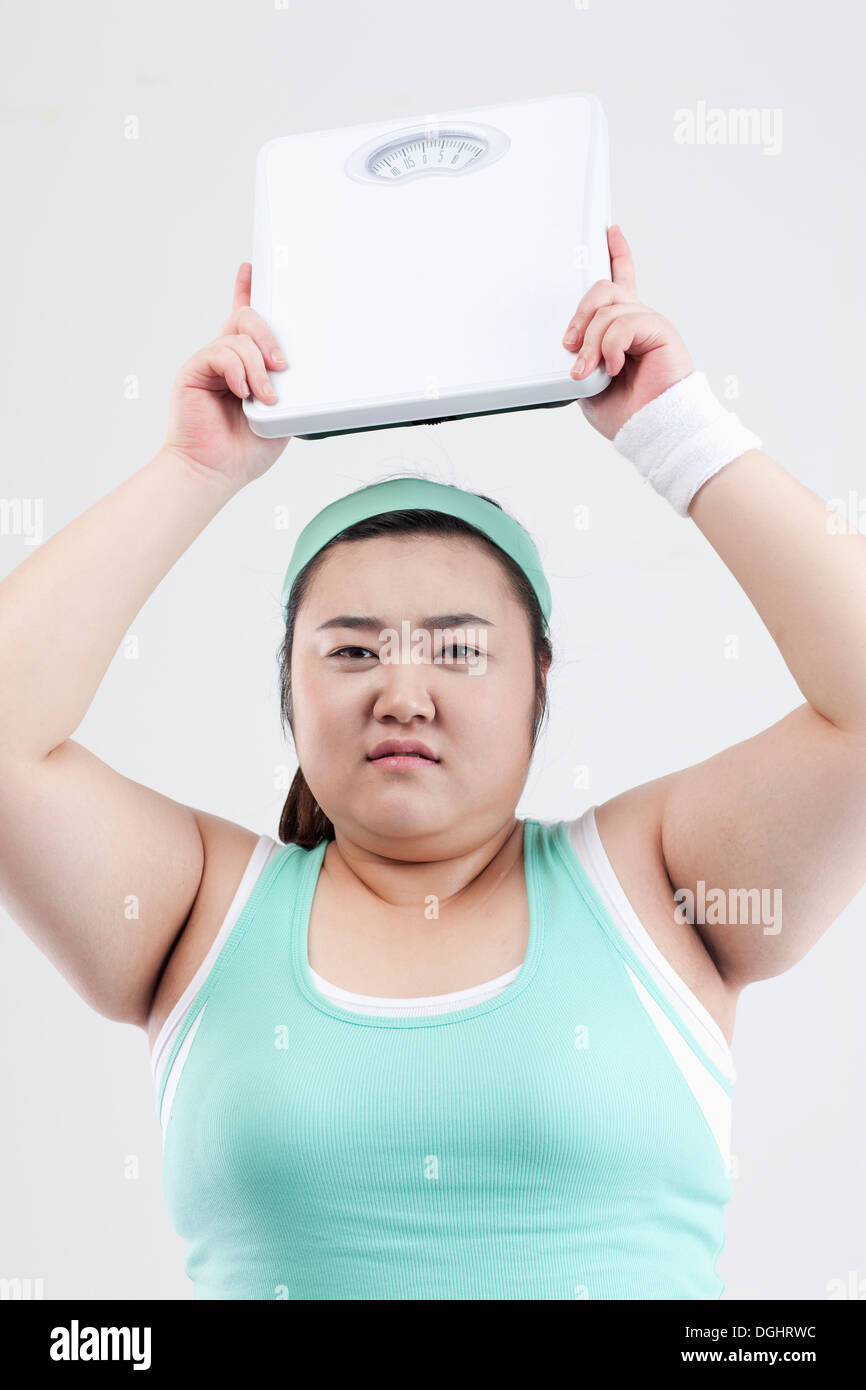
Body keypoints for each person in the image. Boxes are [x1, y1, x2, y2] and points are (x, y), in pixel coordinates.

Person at [2, 226, 864, 1301]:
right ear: (288, 685)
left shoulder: (653, 884)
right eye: (352, 648)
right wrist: (194, 469)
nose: (401, 690)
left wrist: (674, 435)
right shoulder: (199, 911)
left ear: (537, 680)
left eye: (457, 649)